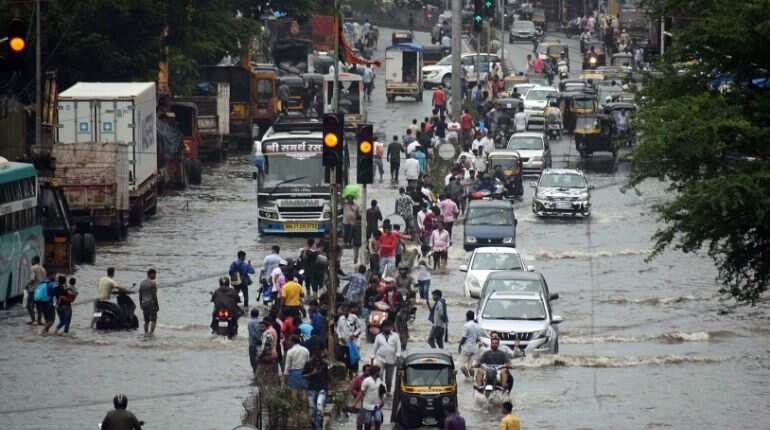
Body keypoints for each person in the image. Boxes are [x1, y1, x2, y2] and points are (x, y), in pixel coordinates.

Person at [370, 320, 401, 394]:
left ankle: (389, 391)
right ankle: (380, 391)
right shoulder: (378, 337)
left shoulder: (396, 336)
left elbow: (398, 348)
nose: (387, 328)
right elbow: (374, 349)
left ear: (391, 327)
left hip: (391, 360)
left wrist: (397, 358)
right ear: (382, 327)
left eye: (389, 326)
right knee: (379, 376)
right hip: (380, 359)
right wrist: (372, 359)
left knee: (389, 378)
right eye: (386, 326)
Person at [304, 352, 330, 430]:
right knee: (312, 410)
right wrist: (312, 373)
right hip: (311, 389)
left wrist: (327, 390)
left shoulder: (324, 365)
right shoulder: (308, 364)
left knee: (319, 408)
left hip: (322, 389)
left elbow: (328, 378)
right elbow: (303, 376)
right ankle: (314, 427)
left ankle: (319, 428)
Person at [356, 365, 386, 430]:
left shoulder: (380, 381)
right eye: (380, 372)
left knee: (378, 420)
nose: (381, 373)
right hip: (367, 407)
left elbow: (382, 392)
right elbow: (362, 392)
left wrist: (382, 401)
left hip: (377, 406)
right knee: (367, 423)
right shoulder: (367, 381)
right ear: (376, 372)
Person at [336, 303, 362, 378]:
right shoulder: (341, 318)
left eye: (346, 310)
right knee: (342, 357)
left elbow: (359, 328)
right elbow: (338, 329)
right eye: (344, 310)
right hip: (343, 342)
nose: (345, 312)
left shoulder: (354, 317)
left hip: (352, 342)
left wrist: (354, 334)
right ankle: (346, 370)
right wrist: (340, 337)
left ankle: (353, 372)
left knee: (353, 357)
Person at [256, 317, 280, 386]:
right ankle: (269, 391)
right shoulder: (272, 330)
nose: (259, 329)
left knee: (259, 376)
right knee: (270, 375)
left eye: (261, 327)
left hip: (267, 356)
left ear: (265, 326)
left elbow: (266, 347)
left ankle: (263, 392)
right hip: (272, 354)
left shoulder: (267, 333)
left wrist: (259, 356)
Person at [458, 310, 482, 377]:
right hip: (474, 348)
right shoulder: (477, 326)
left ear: (467, 317)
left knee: (462, 366)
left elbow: (464, 338)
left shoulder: (466, 325)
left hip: (466, 348)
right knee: (470, 366)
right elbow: (478, 339)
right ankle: (471, 379)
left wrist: (460, 345)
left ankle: (467, 377)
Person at [138, 268, 159, 337]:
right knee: (154, 320)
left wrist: (140, 304)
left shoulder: (142, 283)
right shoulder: (153, 283)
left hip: (144, 303)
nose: (155, 276)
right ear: (151, 274)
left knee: (146, 321)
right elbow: (154, 295)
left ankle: (146, 333)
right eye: (155, 274)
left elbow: (140, 294)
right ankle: (151, 333)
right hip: (151, 303)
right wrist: (157, 305)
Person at [26, 256, 46, 324]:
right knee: (39, 306)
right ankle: (39, 321)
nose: (31, 262)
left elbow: (32, 279)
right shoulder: (43, 269)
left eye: (32, 260)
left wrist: (27, 285)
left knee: (29, 305)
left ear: (35, 260)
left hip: (33, 289)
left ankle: (33, 319)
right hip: (41, 290)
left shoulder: (33, 268)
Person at [247, 308, 262, 373]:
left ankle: (255, 372)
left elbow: (252, 333)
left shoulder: (250, 322)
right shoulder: (260, 322)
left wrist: (257, 339)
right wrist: (260, 340)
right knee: (258, 359)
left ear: (251, 314)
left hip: (253, 343)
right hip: (260, 343)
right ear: (258, 315)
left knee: (253, 360)